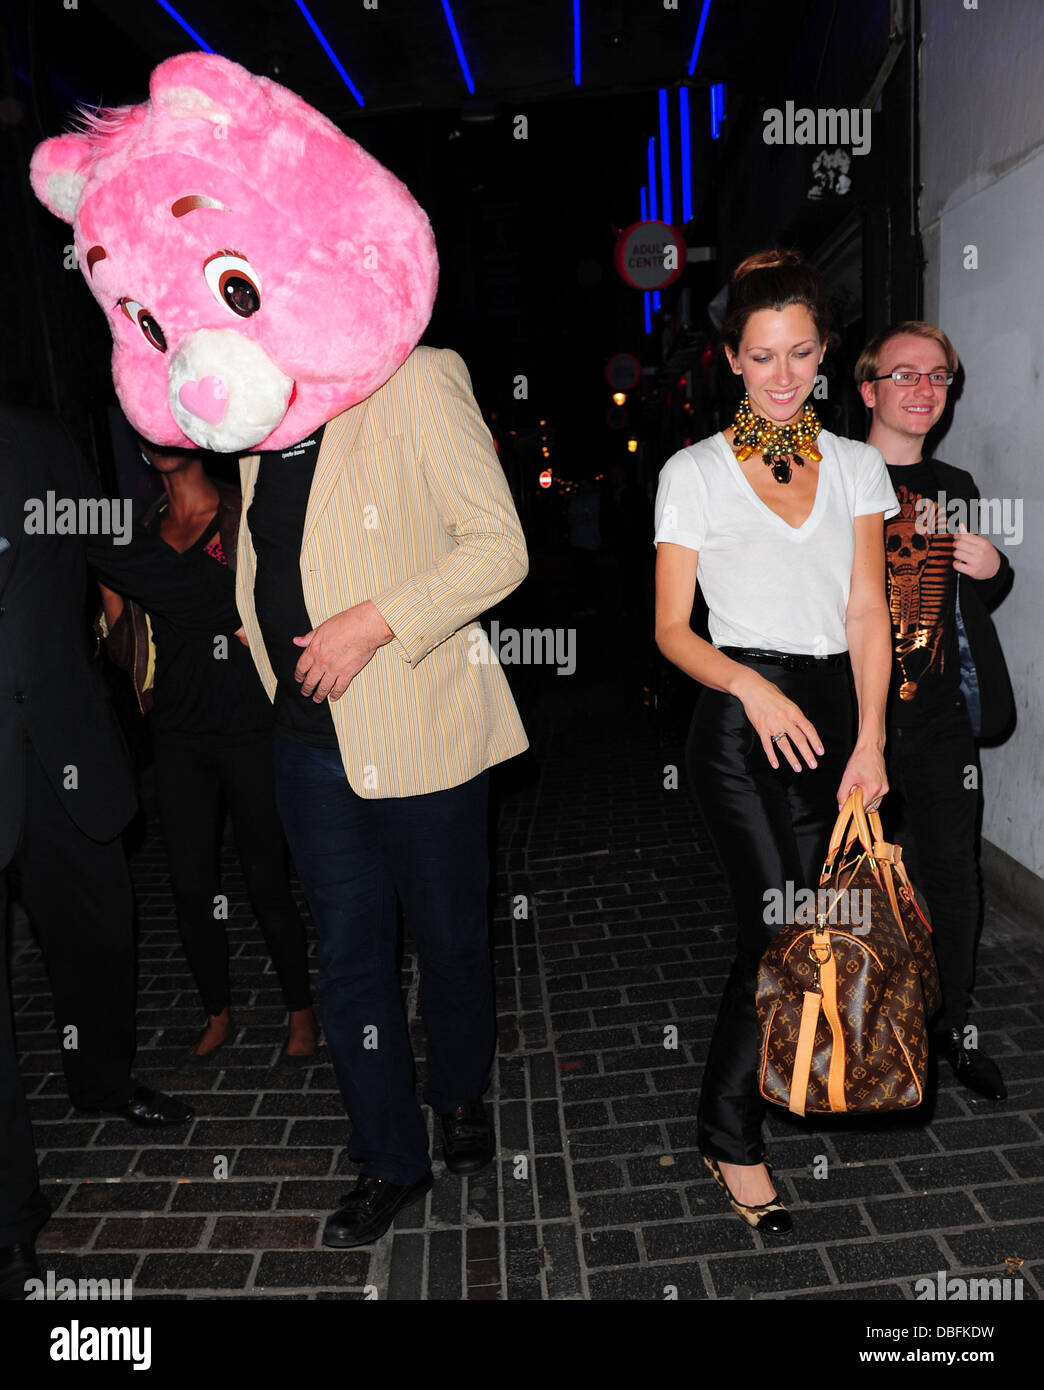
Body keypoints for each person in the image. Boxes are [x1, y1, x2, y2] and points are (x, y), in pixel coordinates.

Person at [235, 346, 529, 1248]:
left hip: (423, 724)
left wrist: (372, 625)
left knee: (448, 938)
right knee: (351, 963)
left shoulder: (418, 376)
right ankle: (389, 1158)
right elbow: (260, 559)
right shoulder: (255, 414)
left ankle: (460, 1093)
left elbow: (499, 548)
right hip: (305, 742)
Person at [654, 250, 898, 1233]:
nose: (784, 374)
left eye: (801, 352)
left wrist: (873, 734)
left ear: (825, 353)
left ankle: (763, 1094)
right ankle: (729, 1133)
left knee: (819, 926)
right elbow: (672, 629)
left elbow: (870, 607)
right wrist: (750, 683)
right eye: (763, 357)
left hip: (839, 712)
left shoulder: (858, 465)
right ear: (731, 360)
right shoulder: (694, 472)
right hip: (739, 718)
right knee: (778, 923)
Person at [0, 406, 192, 1299]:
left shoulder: (35, 444)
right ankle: (10, 1216)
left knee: (101, 925)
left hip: (61, 751)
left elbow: (121, 547)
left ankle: (103, 1078)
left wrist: (241, 600)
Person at [91, 438, 317, 1061]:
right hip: (178, 734)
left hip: (250, 727)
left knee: (266, 878)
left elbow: (281, 597)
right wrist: (112, 607)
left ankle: (300, 1009)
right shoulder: (138, 532)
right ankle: (217, 1011)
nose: (157, 445)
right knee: (191, 886)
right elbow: (124, 645)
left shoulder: (242, 513)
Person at [856, 321, 1013, 1100]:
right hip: (858, 719)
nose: (924, 389)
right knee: (860, 876)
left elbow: (965, 603)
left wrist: (992, 567)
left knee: (954, 875)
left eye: (938, 378)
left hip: (942, 714)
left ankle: (949, 1027)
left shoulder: (955, 486)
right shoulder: (833, 479)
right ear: (869, 389)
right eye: (906, 374)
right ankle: (869, 1027)